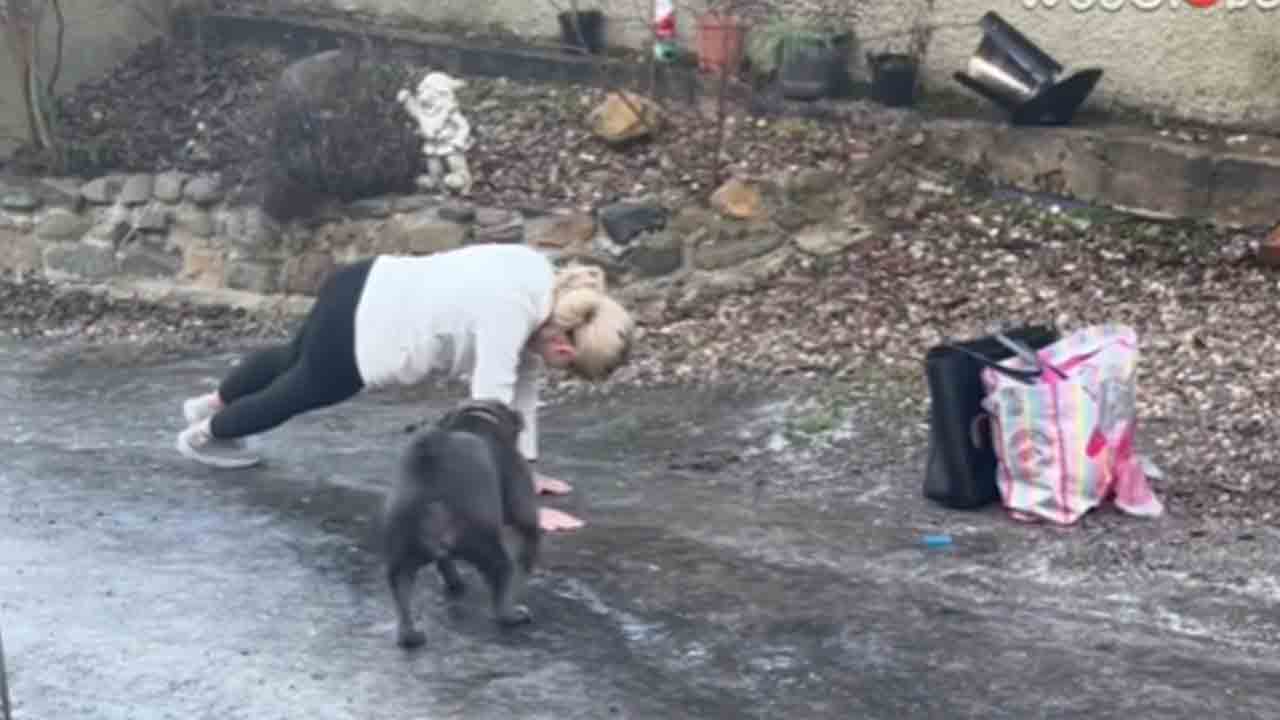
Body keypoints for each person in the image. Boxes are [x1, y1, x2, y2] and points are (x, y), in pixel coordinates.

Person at [174, 243, 635, 533]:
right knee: (296, 390)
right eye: (567, 369)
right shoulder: (511, 313)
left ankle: (209, 404)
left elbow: (522, 395)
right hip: (366, 335)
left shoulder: (539, 278)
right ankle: (205, 435)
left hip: (362, 281)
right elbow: (487, 413)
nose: (557, 372)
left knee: (290, 358)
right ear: (565, 346)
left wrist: (526, 470)